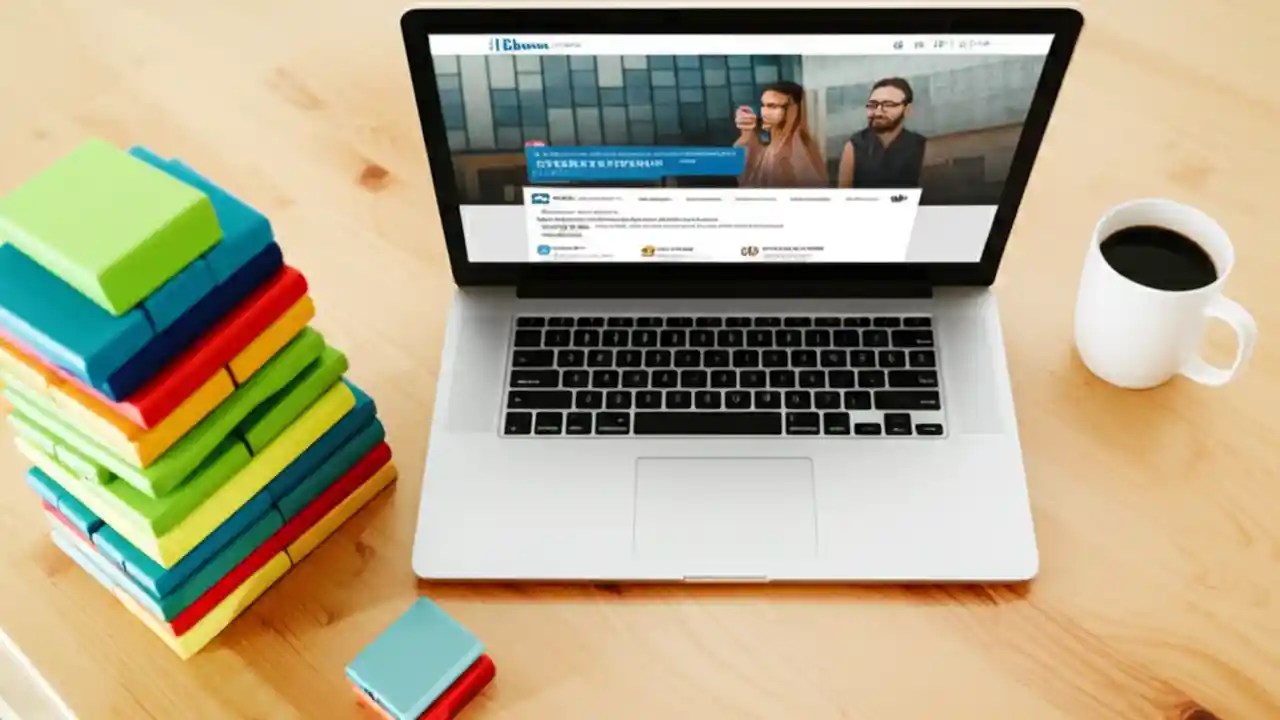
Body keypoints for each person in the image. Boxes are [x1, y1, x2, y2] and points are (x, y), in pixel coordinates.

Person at [733, 81, 829, 188]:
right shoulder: (773, 147)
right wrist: (747, 134)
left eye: (772, 106)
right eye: (763, 105)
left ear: (793, 110)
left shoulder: (796, 151)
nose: (764, 112)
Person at [837, 77, 928, 189]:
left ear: (907, 110)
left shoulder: (921, 147)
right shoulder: (854, 146)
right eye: (873, 105)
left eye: (888, 104)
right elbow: (843, 197)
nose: (878, 111)